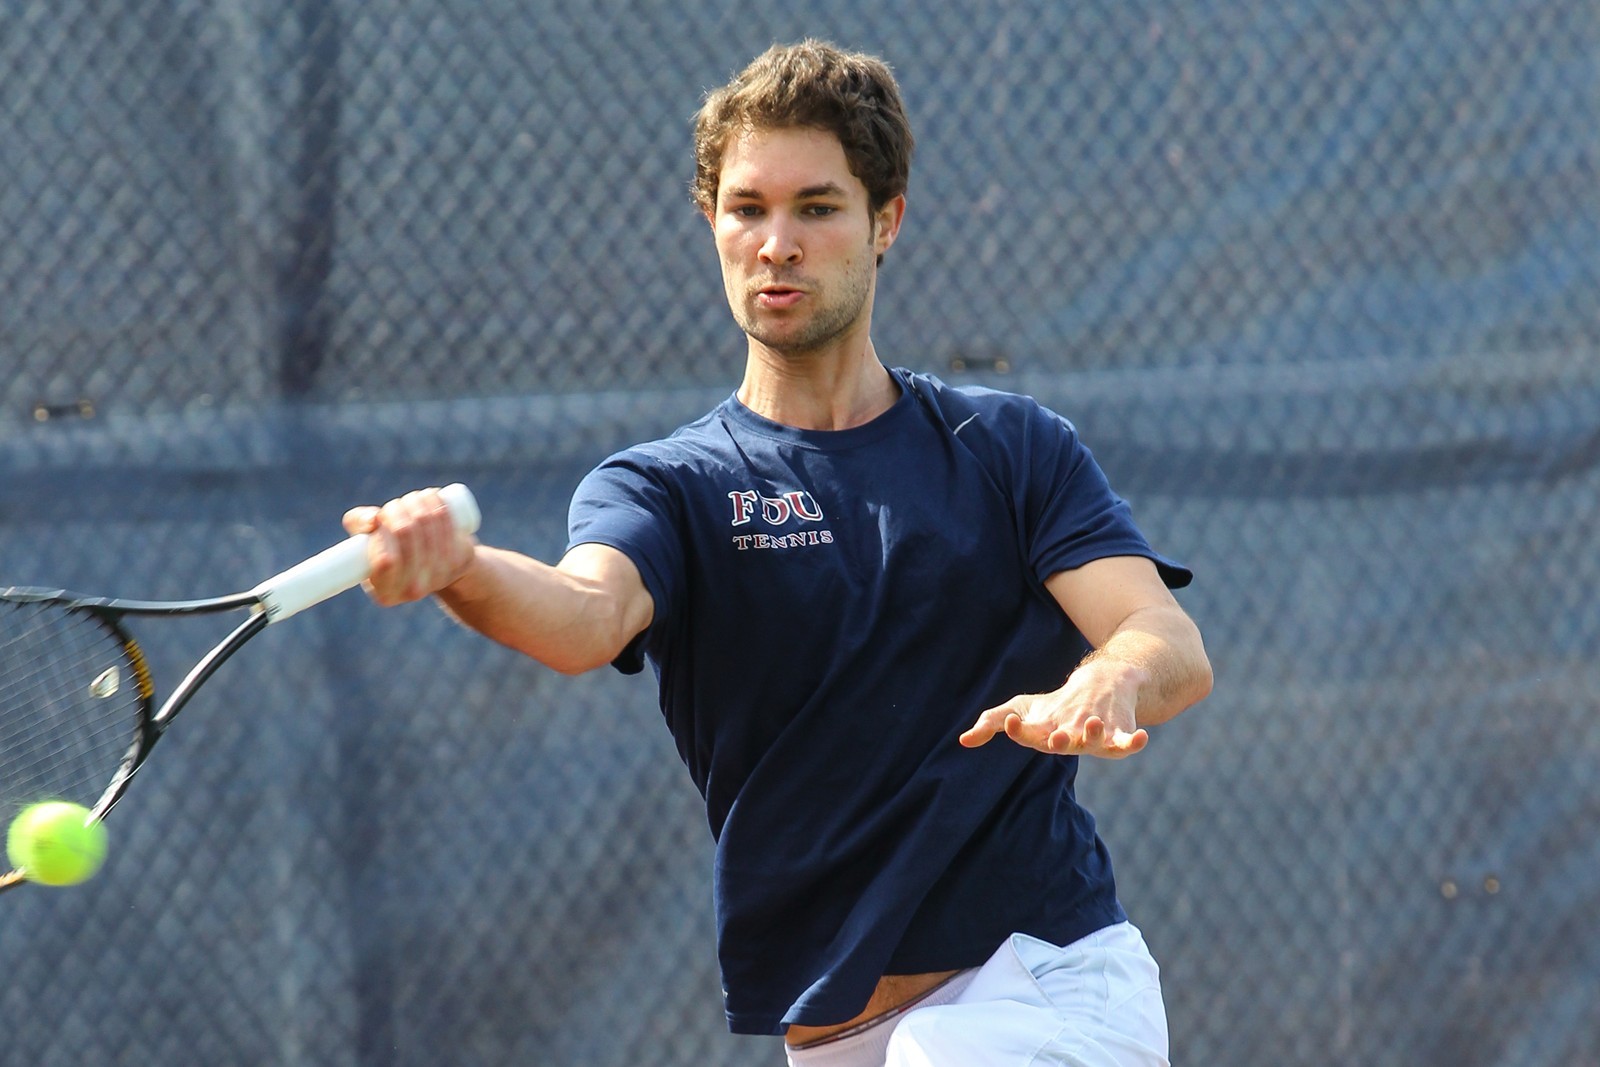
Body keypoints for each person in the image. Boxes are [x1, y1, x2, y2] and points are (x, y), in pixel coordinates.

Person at [346, 39, 1212, 1067]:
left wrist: (1109, 680)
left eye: (816, 207)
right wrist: (461, 568)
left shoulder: (1010, 448)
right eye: (747, 208)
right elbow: (584, 617)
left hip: (1046, 983)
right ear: (712, 224)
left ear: (884, 221)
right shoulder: (664, 486)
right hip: (838, 1035)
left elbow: (1164, 638)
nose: (776, 243)